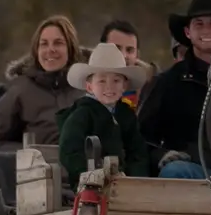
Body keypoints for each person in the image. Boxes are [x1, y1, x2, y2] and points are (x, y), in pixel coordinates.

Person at [138, 0, 211, 179]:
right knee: (175, 171)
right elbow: (140, 135)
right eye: (199, 24)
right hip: (192, 171)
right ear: (188, 32)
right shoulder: (168, 82)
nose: (207, 30)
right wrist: (161, 155)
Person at [0, 15, 87, 150]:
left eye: (58, 43)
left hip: (86, 168)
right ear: (36, 50)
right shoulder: (20, 90)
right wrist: (27, 155)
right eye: (44, 44)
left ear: (70, 48)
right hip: (38, 168)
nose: (51, 49)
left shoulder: (86, 88)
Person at [56, 43, 151, 189]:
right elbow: (69, 150)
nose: (109, 86)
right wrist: (91, 176)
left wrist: (135, 179)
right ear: (89, 86)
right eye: (102, 80)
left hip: (126, 185)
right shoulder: (82, 114)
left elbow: (137, 152)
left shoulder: (126, 115)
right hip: (90, 186)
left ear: (124, 86)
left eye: (116, 80)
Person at [97, 19, 157, 111]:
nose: (124, 55)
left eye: (129, 50)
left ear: (137, 55)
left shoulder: (153, 91)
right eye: (117, 48)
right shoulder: (82, 88)